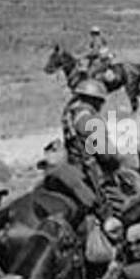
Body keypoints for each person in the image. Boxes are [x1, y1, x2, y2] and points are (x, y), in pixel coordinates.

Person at [60, 78, 112, 215]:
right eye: (101, 101)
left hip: (72, 162)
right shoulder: (90, 119)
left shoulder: (70, 113)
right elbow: (104, 154)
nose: (101, 105)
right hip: (90, 169)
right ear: (93, 100)